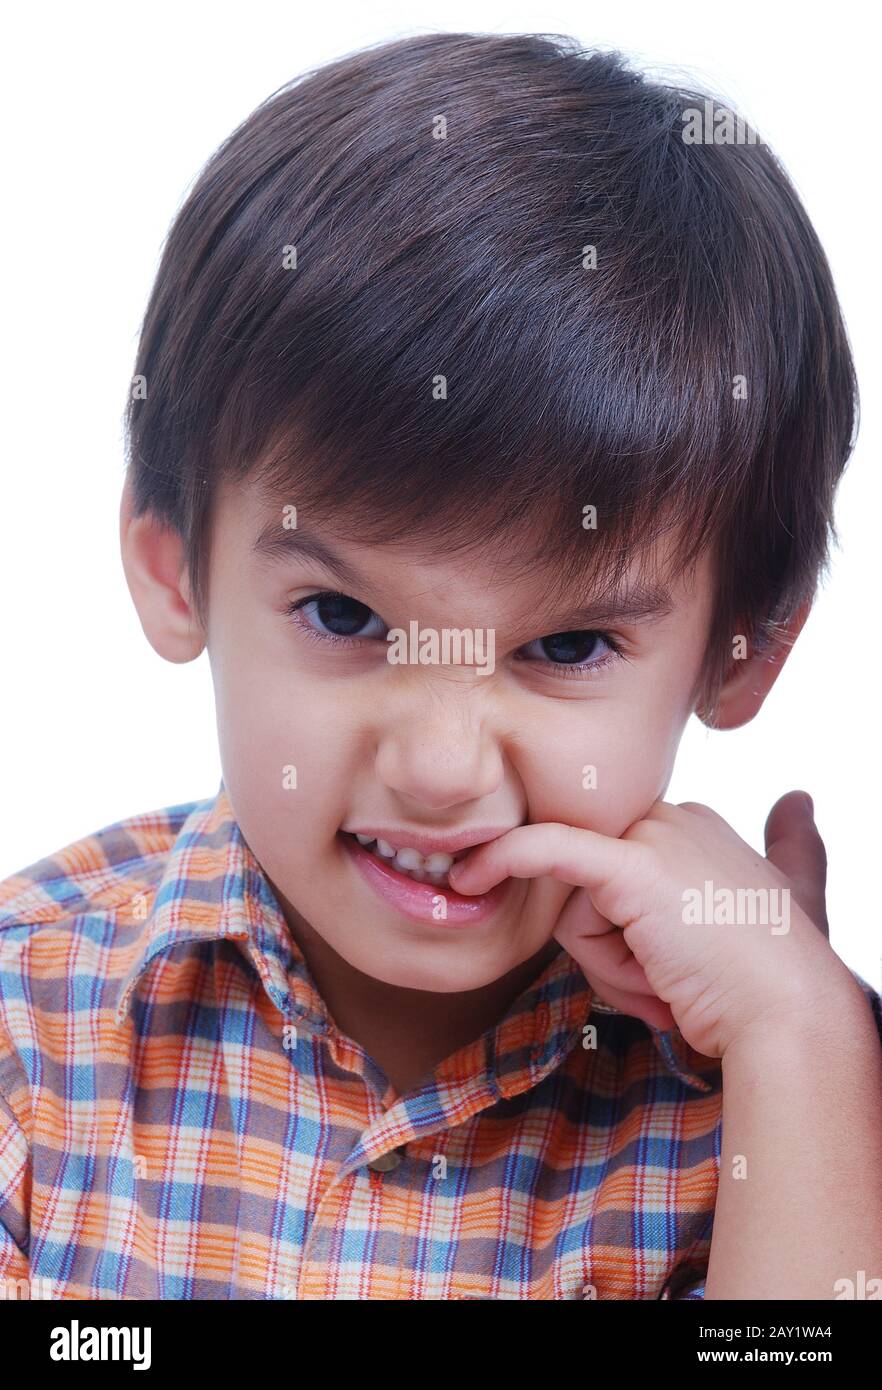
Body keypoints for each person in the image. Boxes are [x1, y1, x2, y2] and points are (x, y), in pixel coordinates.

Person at [2, 31, 880, 1301]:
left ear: (742, 653)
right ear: (173, 564)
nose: (435, 768)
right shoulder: (36, 1030)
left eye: (567, 645)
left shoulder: (778, 1120)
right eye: (344, 617)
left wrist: (802, 1038)